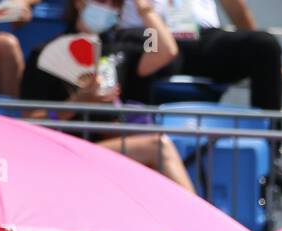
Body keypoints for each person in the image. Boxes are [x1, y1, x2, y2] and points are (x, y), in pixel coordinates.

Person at [113, 0, 282, 192]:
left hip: (200, 36)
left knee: (265, 46)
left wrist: (276, 69)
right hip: (148, 33)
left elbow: (234, 6)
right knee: (150, 55)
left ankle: (270, 162)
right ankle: (137, 153)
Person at [18, 0, 195, 191]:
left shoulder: (120, 48)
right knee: (159, 147)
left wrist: (144, 9)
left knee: (155, 154)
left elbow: (163, 48)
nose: (108, 7)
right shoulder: (43, 53)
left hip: (108, 148)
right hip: (64, 152)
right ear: (79, 3)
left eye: (116, 4)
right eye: (102, 1)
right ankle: (199, 218)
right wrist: (78, 103)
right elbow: (30, 121)